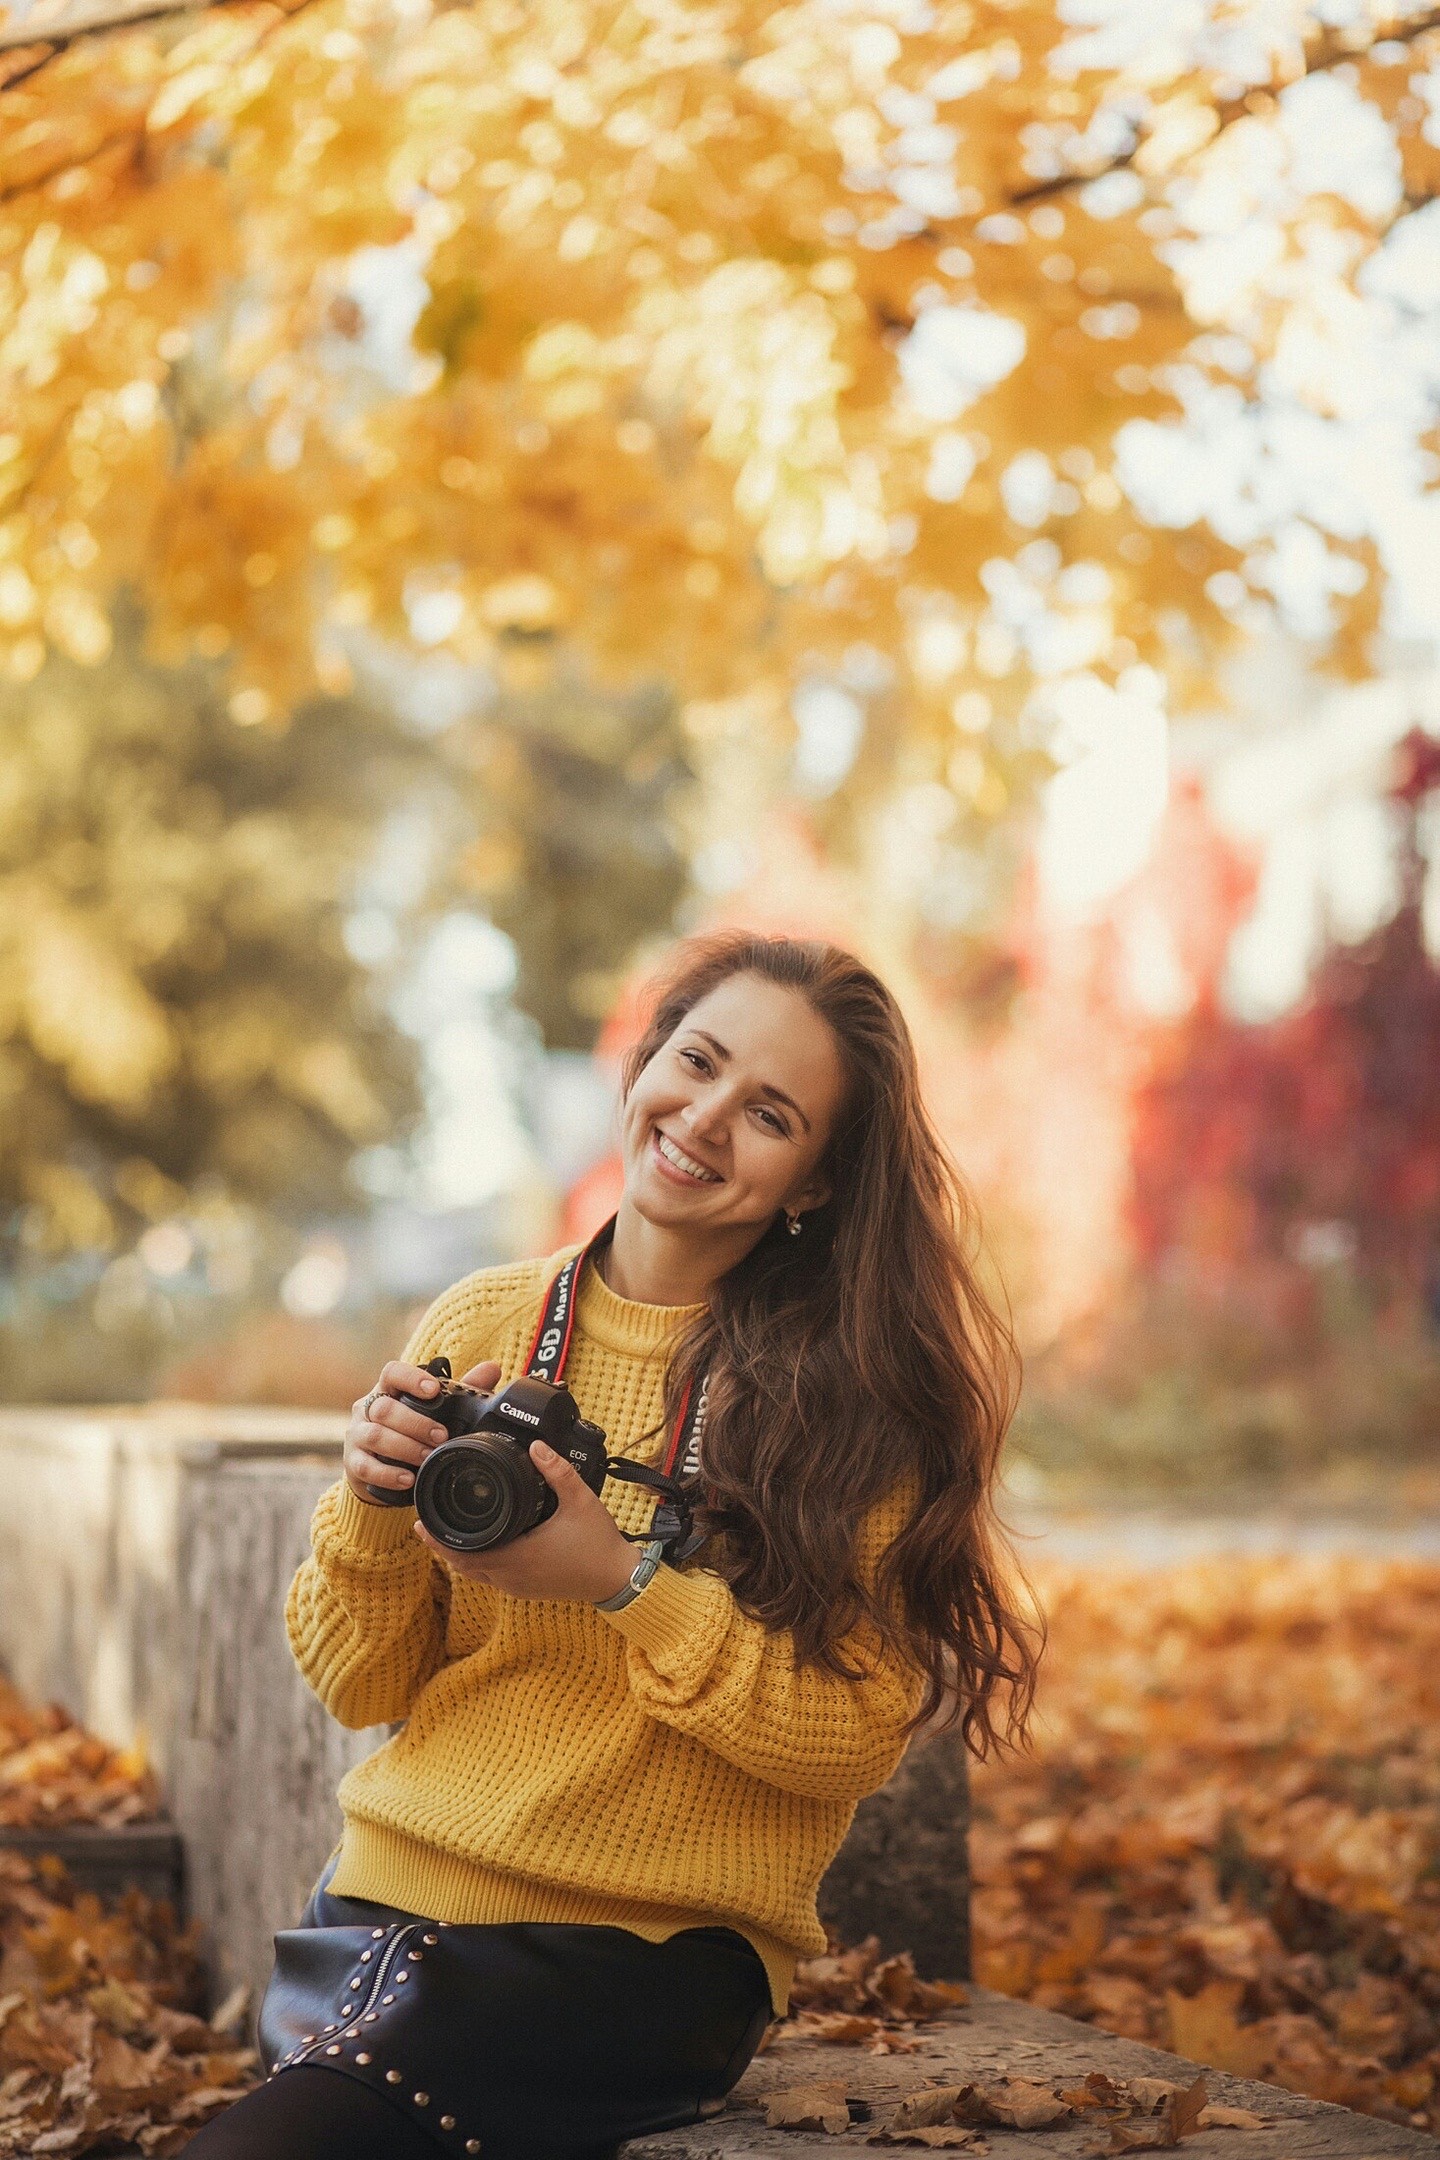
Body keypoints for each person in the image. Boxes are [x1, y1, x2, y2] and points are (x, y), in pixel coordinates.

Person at [186, 932, 1037, 2160]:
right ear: (642, 1065)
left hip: (642, 1961)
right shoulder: (484, 1318)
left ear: (813, 1183)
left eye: (770, 1114)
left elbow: (849, 1740)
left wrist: (623, 1583)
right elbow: (359, 1679)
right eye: (695, 1062)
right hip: (377, 1919)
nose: (703, 1119)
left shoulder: (850, 1403)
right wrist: (372, 1504)